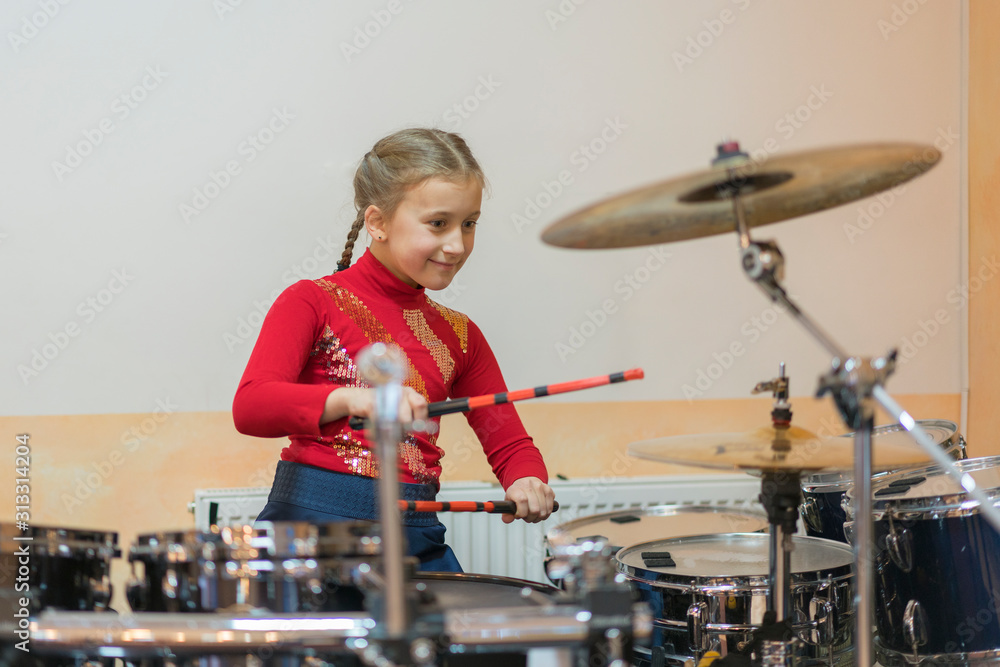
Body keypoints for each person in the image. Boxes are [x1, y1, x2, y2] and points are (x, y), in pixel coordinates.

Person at [232, 128, 555, 572]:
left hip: (414, 537)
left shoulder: (462, 335)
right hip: (310, 534)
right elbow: (251, 405)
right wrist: (354, 399)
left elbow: (509, 440)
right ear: (378, 222)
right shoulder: (312, 300)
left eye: (469, 223)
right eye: (438, 224)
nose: (457, 245)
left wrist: (526, 479)